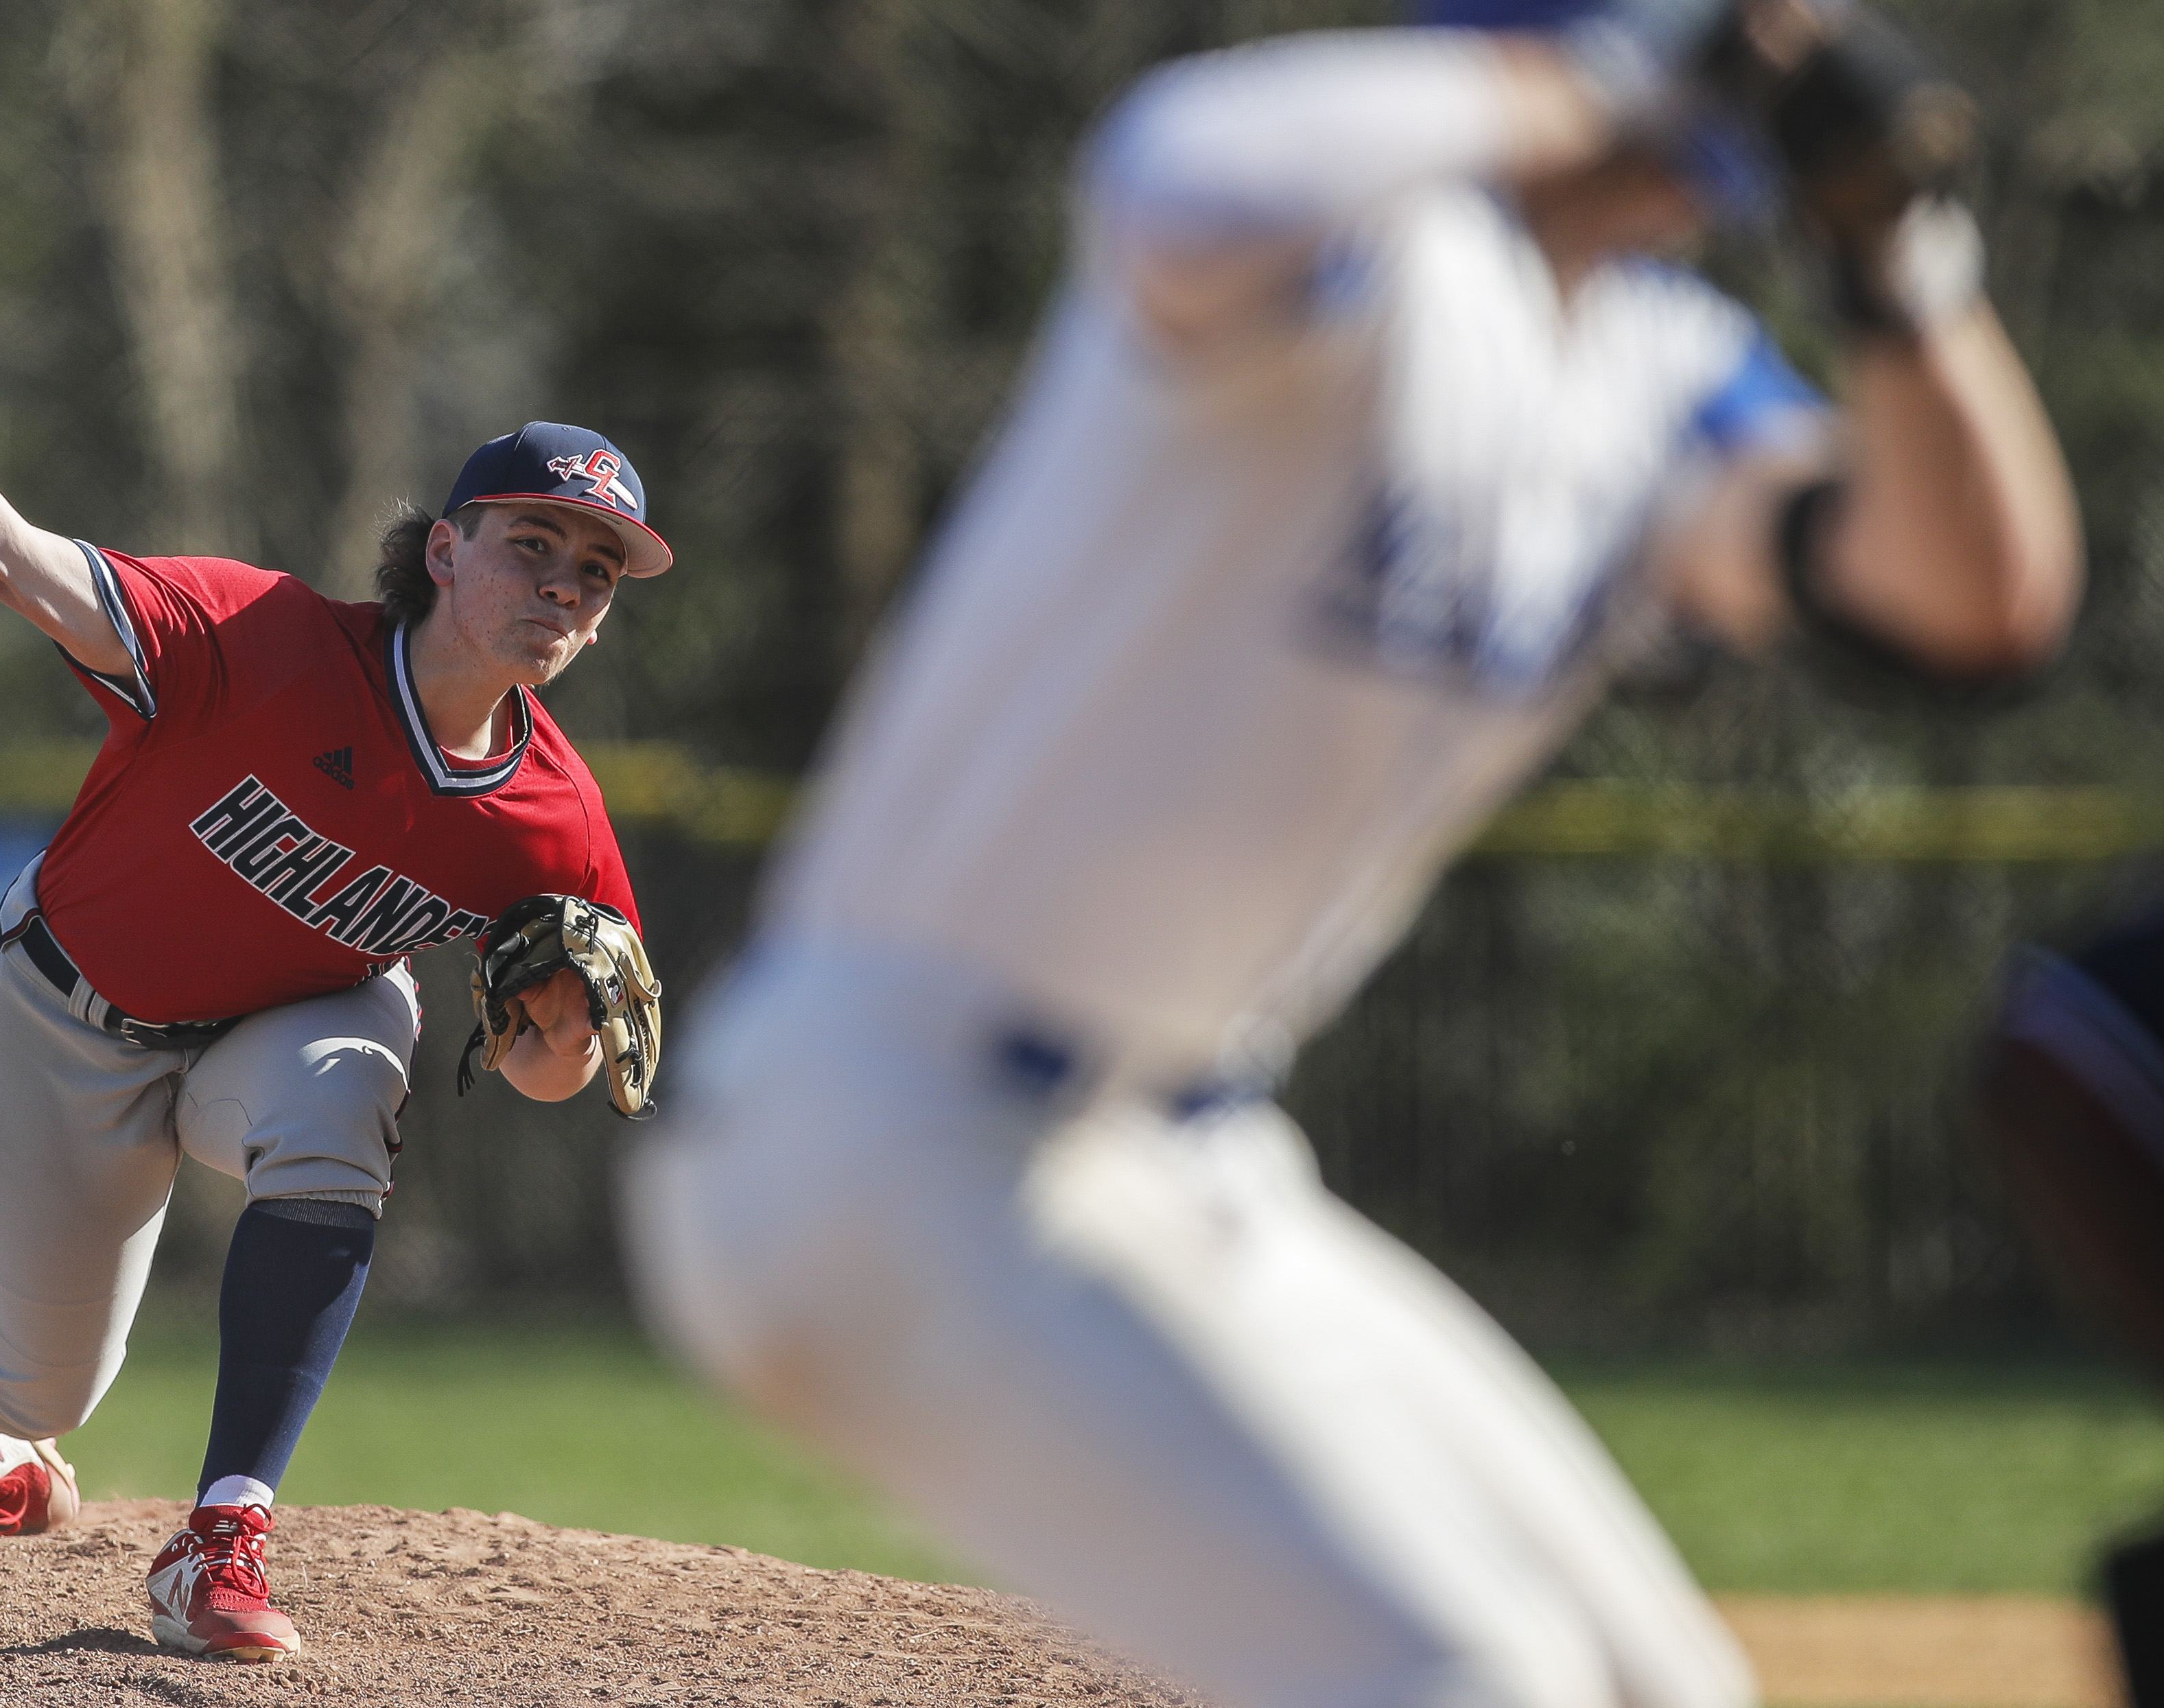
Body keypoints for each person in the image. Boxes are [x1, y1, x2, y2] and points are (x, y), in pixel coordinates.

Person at [624, 1, 2080, 1705]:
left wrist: (1897, 264)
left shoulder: (1652, 373)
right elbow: (1177, 174)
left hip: (1187, 1162)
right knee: (1466, 1682)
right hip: (895, 1130)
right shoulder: (1354, 267)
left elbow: (1969, 607)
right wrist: (1618, 66)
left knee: (1659, 1689)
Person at [0, 204, 668, 1663]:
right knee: (37, 1392)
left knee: (357, 1075)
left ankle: (220, 1539)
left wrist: (554, 1035)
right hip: (59, 1014)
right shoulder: (254, 638)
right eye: (532, 542)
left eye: (594, 572)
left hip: (277, 1037)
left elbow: (552, 1078)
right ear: (445, 547)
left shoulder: (557, 824)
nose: (562, 583)